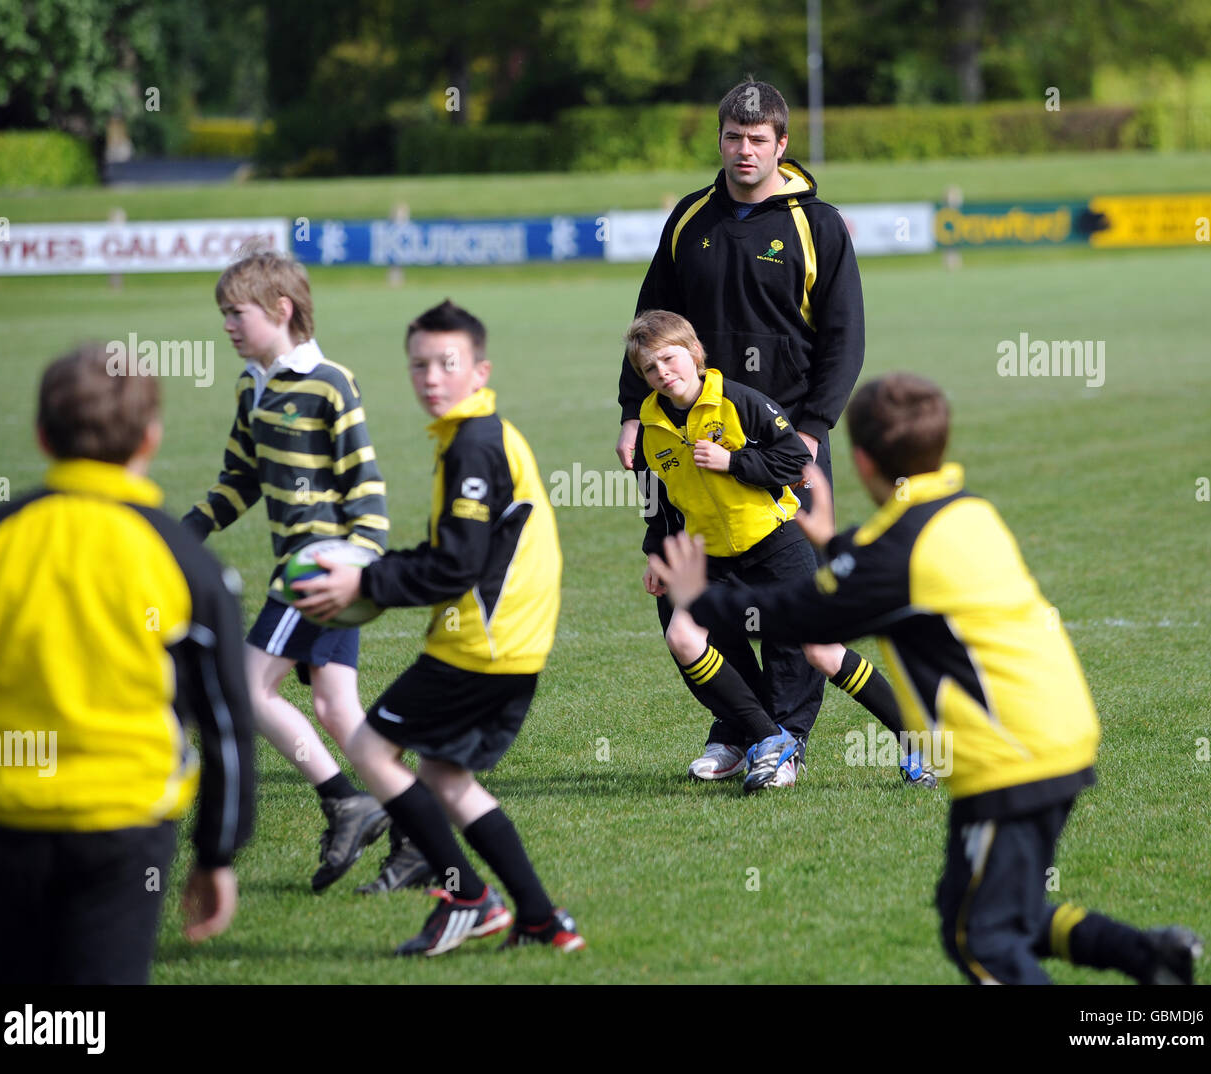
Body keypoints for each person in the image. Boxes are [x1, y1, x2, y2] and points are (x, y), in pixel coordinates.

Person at [647, 372, 1203, 984]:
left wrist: (698, 598)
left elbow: (802, 614)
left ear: (860, 460)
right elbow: (883, 569)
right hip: (1054, 731)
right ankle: (1151, 959)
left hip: (1011, 755)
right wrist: (833, 542)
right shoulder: (966, 511)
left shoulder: (896, 553)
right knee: (978, 912)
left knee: (982, 941)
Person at [616, 78, 926, 786]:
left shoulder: (816, 225)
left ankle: (785, 735)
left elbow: (845, 338)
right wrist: (634, 409)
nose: (744, 150)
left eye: (759, 140)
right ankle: (742, 730)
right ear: (720, 140)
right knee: (690, 593)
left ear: (782, 145)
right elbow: (649, 322)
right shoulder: (691, 218)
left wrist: (812, 428)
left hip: (777, 441)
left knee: (793, 610)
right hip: (685, 437)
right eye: (733, 137)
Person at [0, 345, 255, 985]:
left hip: (5, 823)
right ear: (152, 436)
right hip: (127, 828)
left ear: (41, 436)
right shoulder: (186, 561)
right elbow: (227, 722)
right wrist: (217, 854)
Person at [292, 300, 583, 956]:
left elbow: (457, 563)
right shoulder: (474, 433)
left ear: (479, 370)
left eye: (445, 363)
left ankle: (468, 896)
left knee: (370, 750)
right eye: (418, 364)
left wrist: (363, 583)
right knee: (448, 780)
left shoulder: (475, 444)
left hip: (481, 645)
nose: (430, 376)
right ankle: (540, 918)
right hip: (511, 643)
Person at [182, 247, 390, 892]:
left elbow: (365, 480)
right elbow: (240, 478)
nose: (226, 326)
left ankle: (344, 801)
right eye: (222, 314)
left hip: (319, 571)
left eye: (235, 313)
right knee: (334, 707)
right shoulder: (253, 385)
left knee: (247, 689)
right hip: (303, 569)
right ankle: (410, 826)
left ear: (282, 309)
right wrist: (184, 531)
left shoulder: (331, 382)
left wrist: (365, 565)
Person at [627, 310, 824, 791]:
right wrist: (656, 553)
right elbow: (659, 506)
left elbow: (796, 460)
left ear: (695, 353)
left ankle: (786, 746)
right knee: (689, 630)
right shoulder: (649, 431)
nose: (663, 374)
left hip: (774, 541)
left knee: (799, 647)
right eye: (651, 370)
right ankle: (747, 734)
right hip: (708, 554)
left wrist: (733, 462)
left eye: (670, 359)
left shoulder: (740, 401)